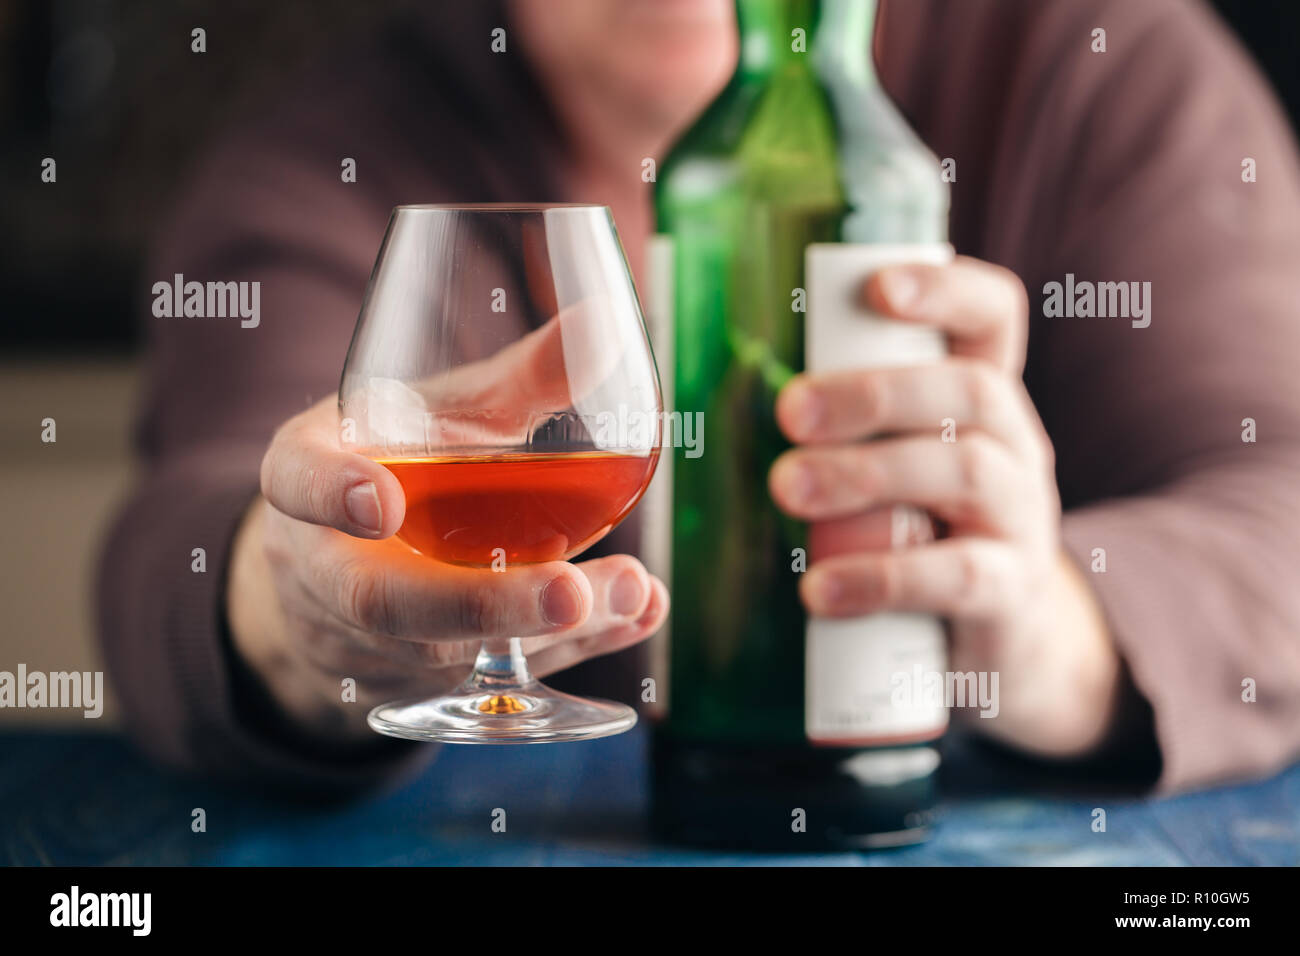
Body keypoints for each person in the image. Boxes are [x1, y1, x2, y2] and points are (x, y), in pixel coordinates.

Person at [99, 0, 1300, 793]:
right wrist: (301, 607)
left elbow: (1277, 497)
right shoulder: (330, 150)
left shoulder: (1103, 64)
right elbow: (182, 536)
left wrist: (1047, 628)